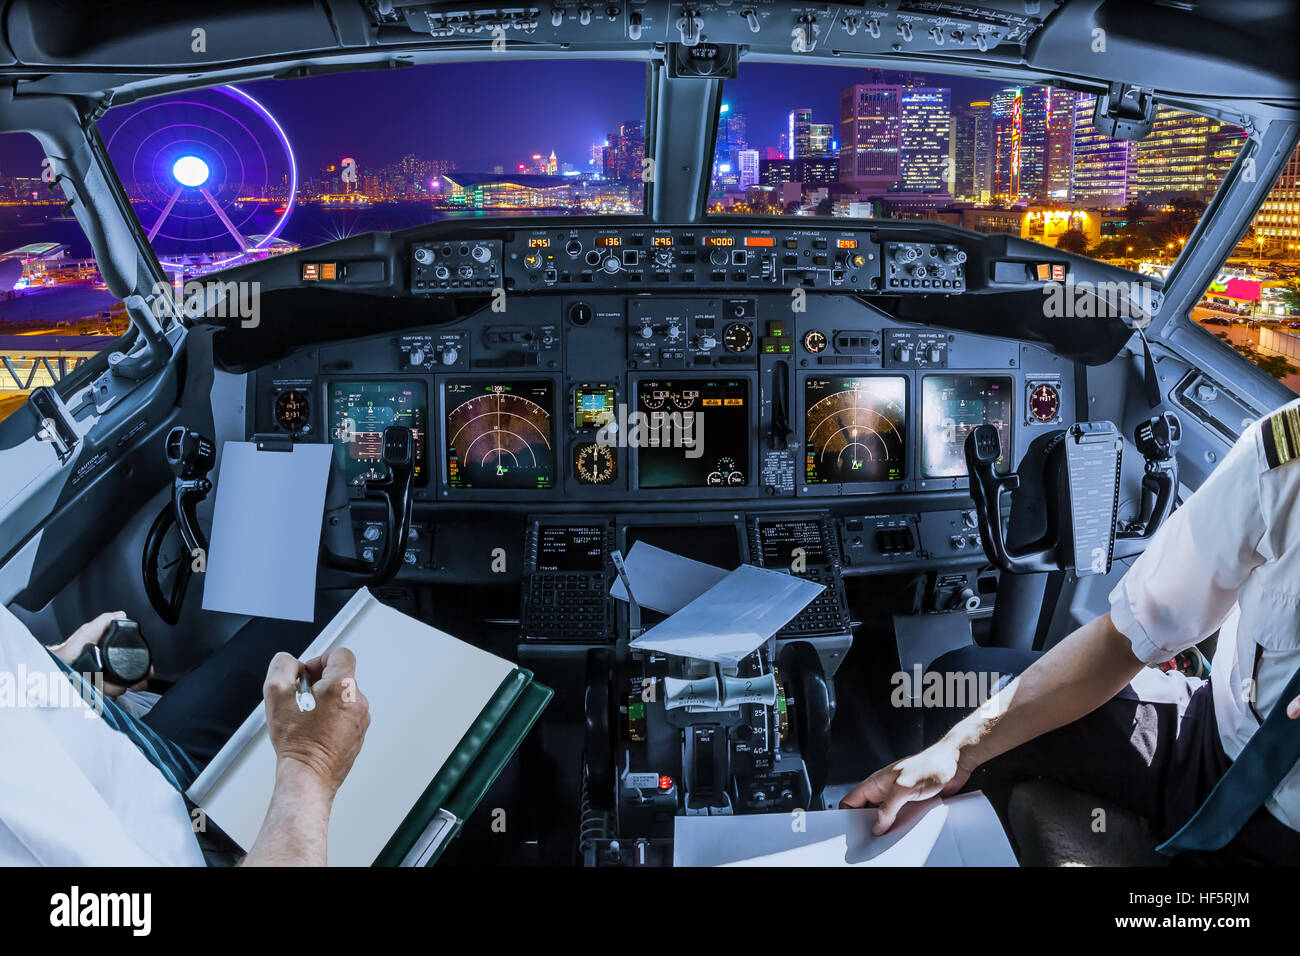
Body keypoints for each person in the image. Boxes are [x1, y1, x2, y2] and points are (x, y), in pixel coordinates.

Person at [843, 397, 1300, 865]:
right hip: (1210, 741)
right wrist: (957, 751)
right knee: (963, 683)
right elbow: (1127, 636)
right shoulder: (1284, 460)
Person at [0, 605, 369, 865]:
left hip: (142, 760)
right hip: (198, 843)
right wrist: (310, 765)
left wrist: (64, 673)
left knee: (312, 617)